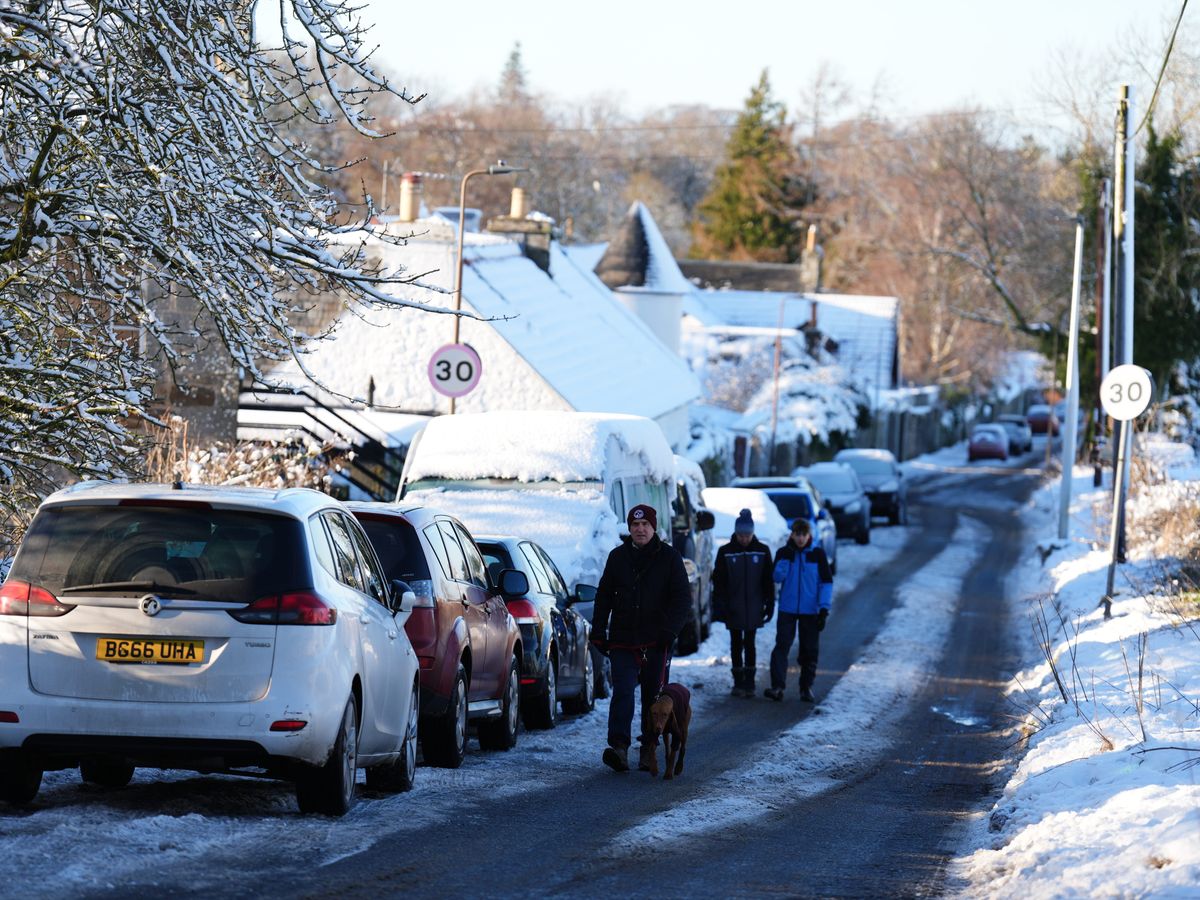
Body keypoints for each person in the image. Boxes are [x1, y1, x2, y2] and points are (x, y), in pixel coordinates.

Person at [591, 503, 692, 773]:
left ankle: (649, 749)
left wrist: (670, 631)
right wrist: (598, 630)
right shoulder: (617, 557)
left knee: (653, 698)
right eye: (635, 525)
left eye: (645, 524)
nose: (640, 529)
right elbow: (603, 597)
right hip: (623, 640)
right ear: (629, 528)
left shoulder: (670, 558)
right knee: (622, 692)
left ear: (653, 527)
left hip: (657, 641)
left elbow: (682, 599)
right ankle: (619, 748)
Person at [764, 517, 833, 703]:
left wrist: (824, 609)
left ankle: (806, 687)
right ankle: (777, 687)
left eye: (804, 534)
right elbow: (777, 577)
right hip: (788, 608)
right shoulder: (784, 553)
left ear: (809, 535)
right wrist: (786, 559)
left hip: (810, 610)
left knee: (809, 650)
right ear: (792, 535)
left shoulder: (817, 555)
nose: (801, 538)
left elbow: (826, 583)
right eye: (797, 534)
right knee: (782, 647)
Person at [711, 508, 775, 698]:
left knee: (751, 643)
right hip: (734, 607)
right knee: (736, 643)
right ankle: (738, 682)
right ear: (736, 533)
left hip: (754, 606)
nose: (744, 539)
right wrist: (720, 605)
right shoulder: (726, 552)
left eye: (747, 535)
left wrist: (769, 602)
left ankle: (750, 682)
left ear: (753, 533)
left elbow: (767, 581)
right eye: (741, 535)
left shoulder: (762, 551)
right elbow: (719, 581)